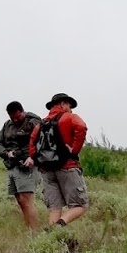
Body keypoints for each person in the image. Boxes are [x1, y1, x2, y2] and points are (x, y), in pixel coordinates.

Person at [26, 92, 88, 227]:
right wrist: (74, 150)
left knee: (55, 208)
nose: (71, 109)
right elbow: (82, 127)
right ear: (63, 104)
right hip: (67, 167)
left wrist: (38, 160)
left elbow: (32, 144)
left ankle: (52, 234)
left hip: (47, 171)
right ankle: (60, 225)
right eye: (69, 105)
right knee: (80, 205)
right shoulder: (70, 118)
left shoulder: (41, 124)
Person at [0, 101, 42, 229]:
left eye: (17, 117)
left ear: (22, 111)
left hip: (27, 166)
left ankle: (35, 231)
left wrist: (32, 157)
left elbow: (42, 142)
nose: (15, 120)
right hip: (12, 165)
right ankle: (28, 229)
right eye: (12, 118)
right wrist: (6, 153)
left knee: (27, 200)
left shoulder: (33, 122)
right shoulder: (7, 125)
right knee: (20, 201)